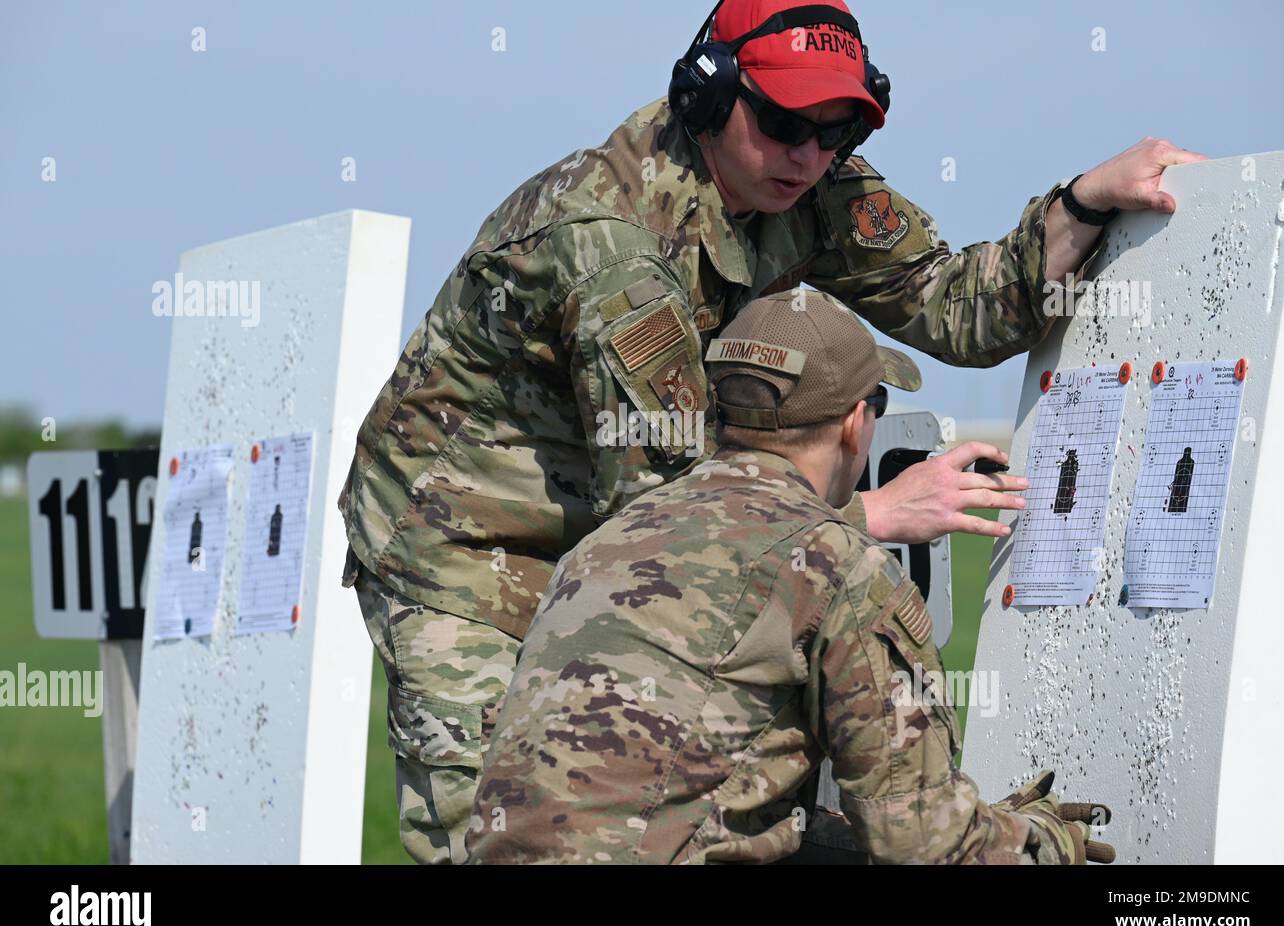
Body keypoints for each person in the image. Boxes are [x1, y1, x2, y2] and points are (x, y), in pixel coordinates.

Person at [338, 0, 1200, 862]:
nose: (810, 155)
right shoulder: (616, 253)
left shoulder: (812, 183)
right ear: (709, 98)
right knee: (510, 829)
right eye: (788, 122)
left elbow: (954, 306)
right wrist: (868, 520)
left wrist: (1080, 206)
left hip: (628, 540)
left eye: (840, 132)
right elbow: (667, 535)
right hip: (470, 547)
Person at [465, 290, 1115, 864]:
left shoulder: (605, 544)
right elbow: (923, 846)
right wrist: (1037, 840)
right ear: (859, 424)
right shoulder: (840, 567)